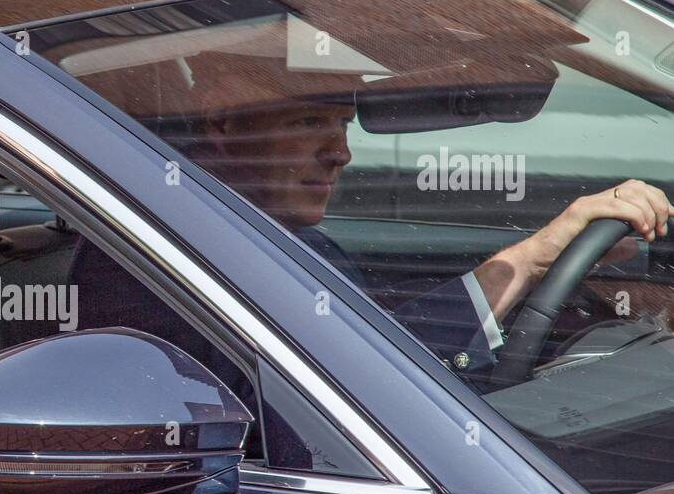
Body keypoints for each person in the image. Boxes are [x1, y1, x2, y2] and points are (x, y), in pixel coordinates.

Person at [193, 96, 671, 373]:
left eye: (343, 123)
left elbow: (387, 351)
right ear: (224, 126)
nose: (341, 153)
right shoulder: (180, 270)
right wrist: (536, 257)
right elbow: (377, 384)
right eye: (309, 121)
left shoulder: (301, 244)